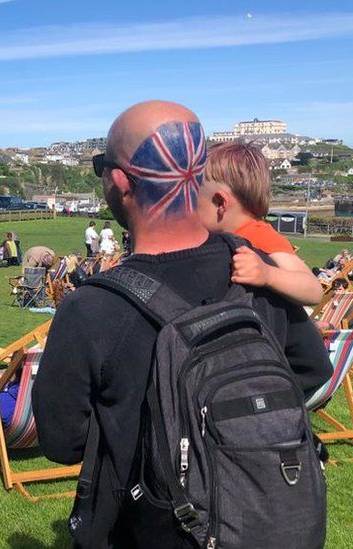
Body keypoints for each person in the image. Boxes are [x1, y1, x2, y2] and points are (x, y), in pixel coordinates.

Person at [32, 100, 331, 547]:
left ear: (119, 181)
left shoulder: (91, 308)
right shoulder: (254, 268)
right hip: (255, 520)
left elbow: (61, 441)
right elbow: (314, 372)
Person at [197, 140, 323, 306]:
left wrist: (268, 274)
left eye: (193, 201)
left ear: (220, 203)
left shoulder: (258, 234)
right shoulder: (217, 235)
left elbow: (313, 290)